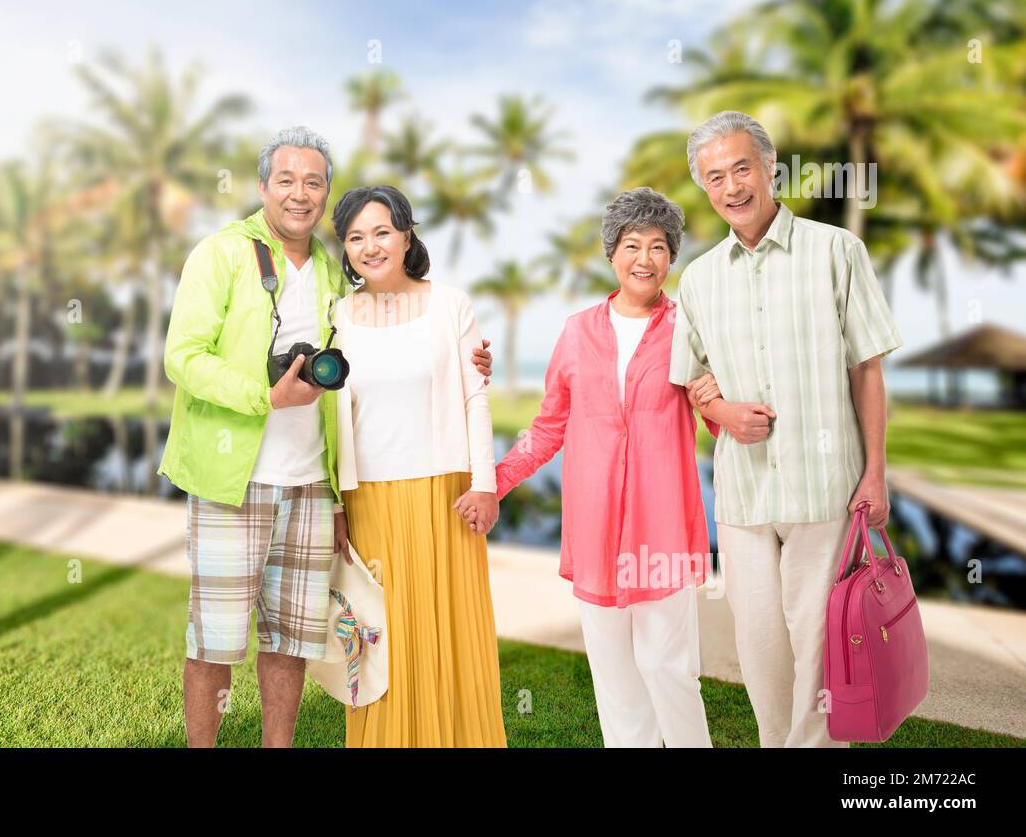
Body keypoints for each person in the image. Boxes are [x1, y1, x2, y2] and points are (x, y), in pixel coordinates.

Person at [160, 127, 492, 748]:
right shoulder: (223, 253)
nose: (299, 194)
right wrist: (266, 395)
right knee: (216, 640)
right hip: (235, 477)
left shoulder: (336, 282)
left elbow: (381, 359)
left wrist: (466, 363)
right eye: (285, 180)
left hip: (313, 486)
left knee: (293, 642)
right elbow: (182, 356)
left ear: (326, 193)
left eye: (313, 182)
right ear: (263, 187)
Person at [669, 110, 903, 748]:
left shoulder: (836, 251)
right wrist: (722, 414)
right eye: (715, 177)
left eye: (742, 168)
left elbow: (868, 370)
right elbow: (693, 378)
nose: (732, 187)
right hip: (744, 495)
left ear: (770, 168)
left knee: (818, 642)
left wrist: (875, 473)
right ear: (705, 187)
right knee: (760, 645)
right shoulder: (699, 279)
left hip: (823, 487)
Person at [490, 187, 715, 748]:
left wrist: (724, 400)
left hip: (662, 527)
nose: (645, 258)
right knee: (614, 678)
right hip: (595, 533)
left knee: (668, 667)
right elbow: (548, 427)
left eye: (659, 246)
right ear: (611, 252)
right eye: (632, 244)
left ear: (672, 257)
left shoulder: (689, 327)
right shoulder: (576, 332)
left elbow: (715, 415)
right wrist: (495, 481)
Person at [332, 184, 507, 747]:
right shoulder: (339, 314)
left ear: (407, 236)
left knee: (449, 636)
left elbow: (474, 395)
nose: (371, 246)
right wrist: (336, 501)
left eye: (383, 231)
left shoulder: (449, 303)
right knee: (380, 638)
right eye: (356, 237)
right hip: (371, 500)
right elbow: (333, 420)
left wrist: (486, 485)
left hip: (446, 493)